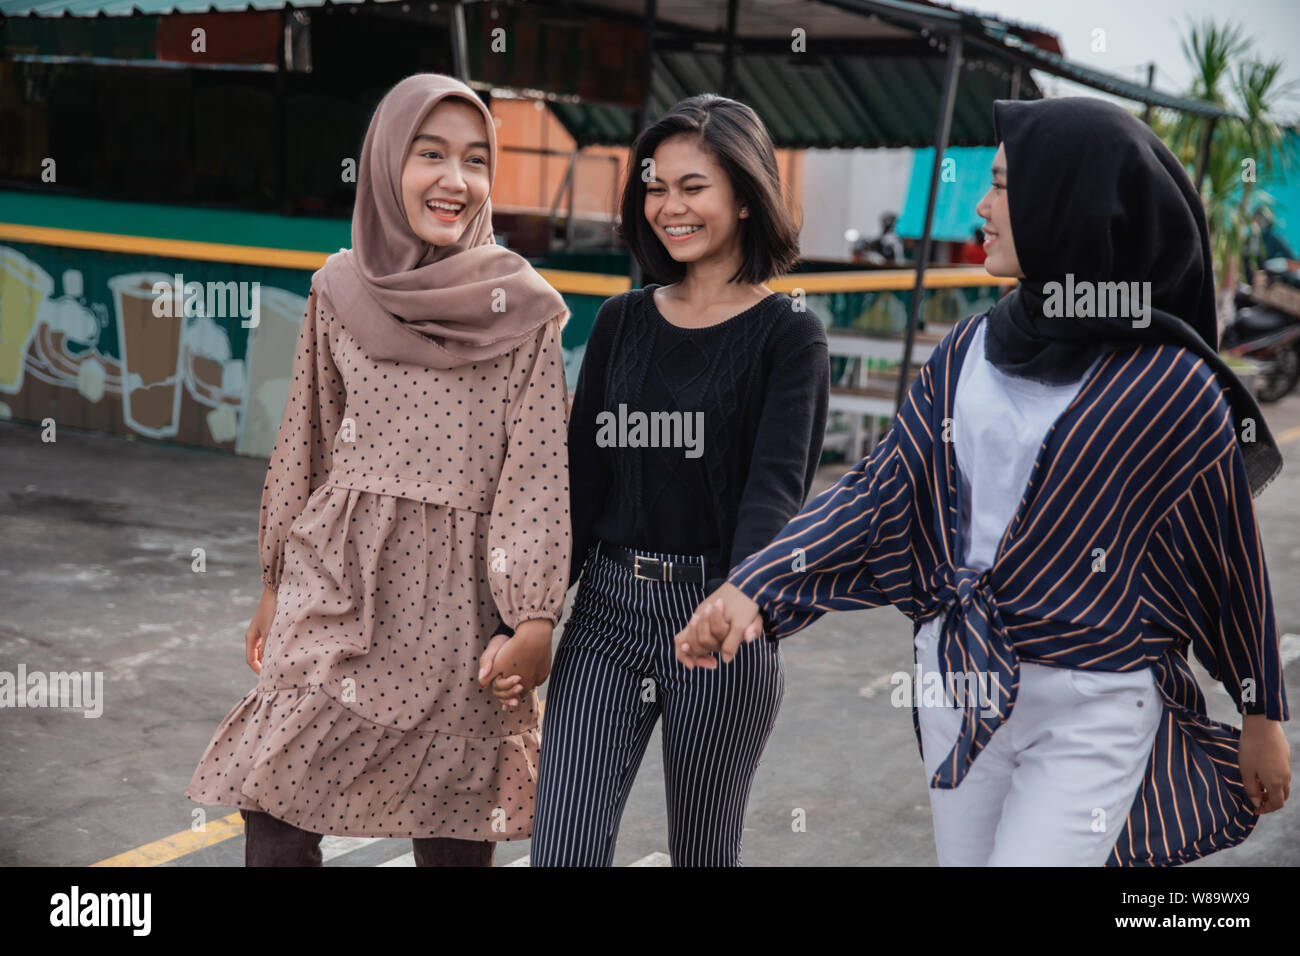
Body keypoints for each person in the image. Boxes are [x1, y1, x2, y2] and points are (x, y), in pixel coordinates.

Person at [677, 97, 1291, 866]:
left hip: (1095, 706)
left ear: (1069, 202)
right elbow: (878, 491)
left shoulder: (1172, 387)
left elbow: (1226, 556)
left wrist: (1261, 708)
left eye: (1003, 185)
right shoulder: (967, 348)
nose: (981, 205)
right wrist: (755, 586)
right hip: (958, 681)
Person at [184, 74, 572, 866]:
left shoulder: (526, 308)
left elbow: (534, 477)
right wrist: (273, 578)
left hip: (462, 607)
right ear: (387, 161)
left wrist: (534, 618)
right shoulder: (338, 288)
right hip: (337, 589)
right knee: (277, 805)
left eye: (475, 160)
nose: (454, 181)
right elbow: (306, 441)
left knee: (455, 827)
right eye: (430, 154)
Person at [508, 94, 829, 866]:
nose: (669, 206)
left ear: (747, 197)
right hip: (607, 618)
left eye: (694, 187)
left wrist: (739, 598)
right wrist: (532, 614)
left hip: (722, 621)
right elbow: (580, 486)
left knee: (702, 853)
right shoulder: (621, 321)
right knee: (562, 851)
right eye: (655, 186)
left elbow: (776, 491)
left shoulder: (790, 336)